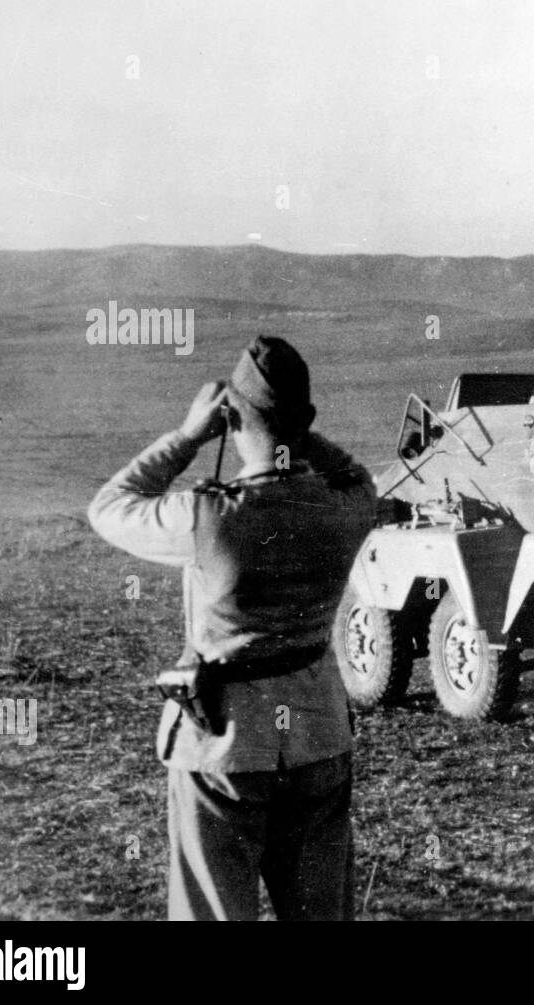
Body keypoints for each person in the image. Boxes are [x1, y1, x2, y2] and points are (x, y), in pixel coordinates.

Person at [87, 335, 376, 920]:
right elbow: (353, 473)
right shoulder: (346, 506)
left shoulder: (208, 514)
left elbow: (110, 505)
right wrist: (296, 431)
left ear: (233, 416)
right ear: (307, 419)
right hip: (317, 733)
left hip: (223, 741)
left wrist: (190, 435)